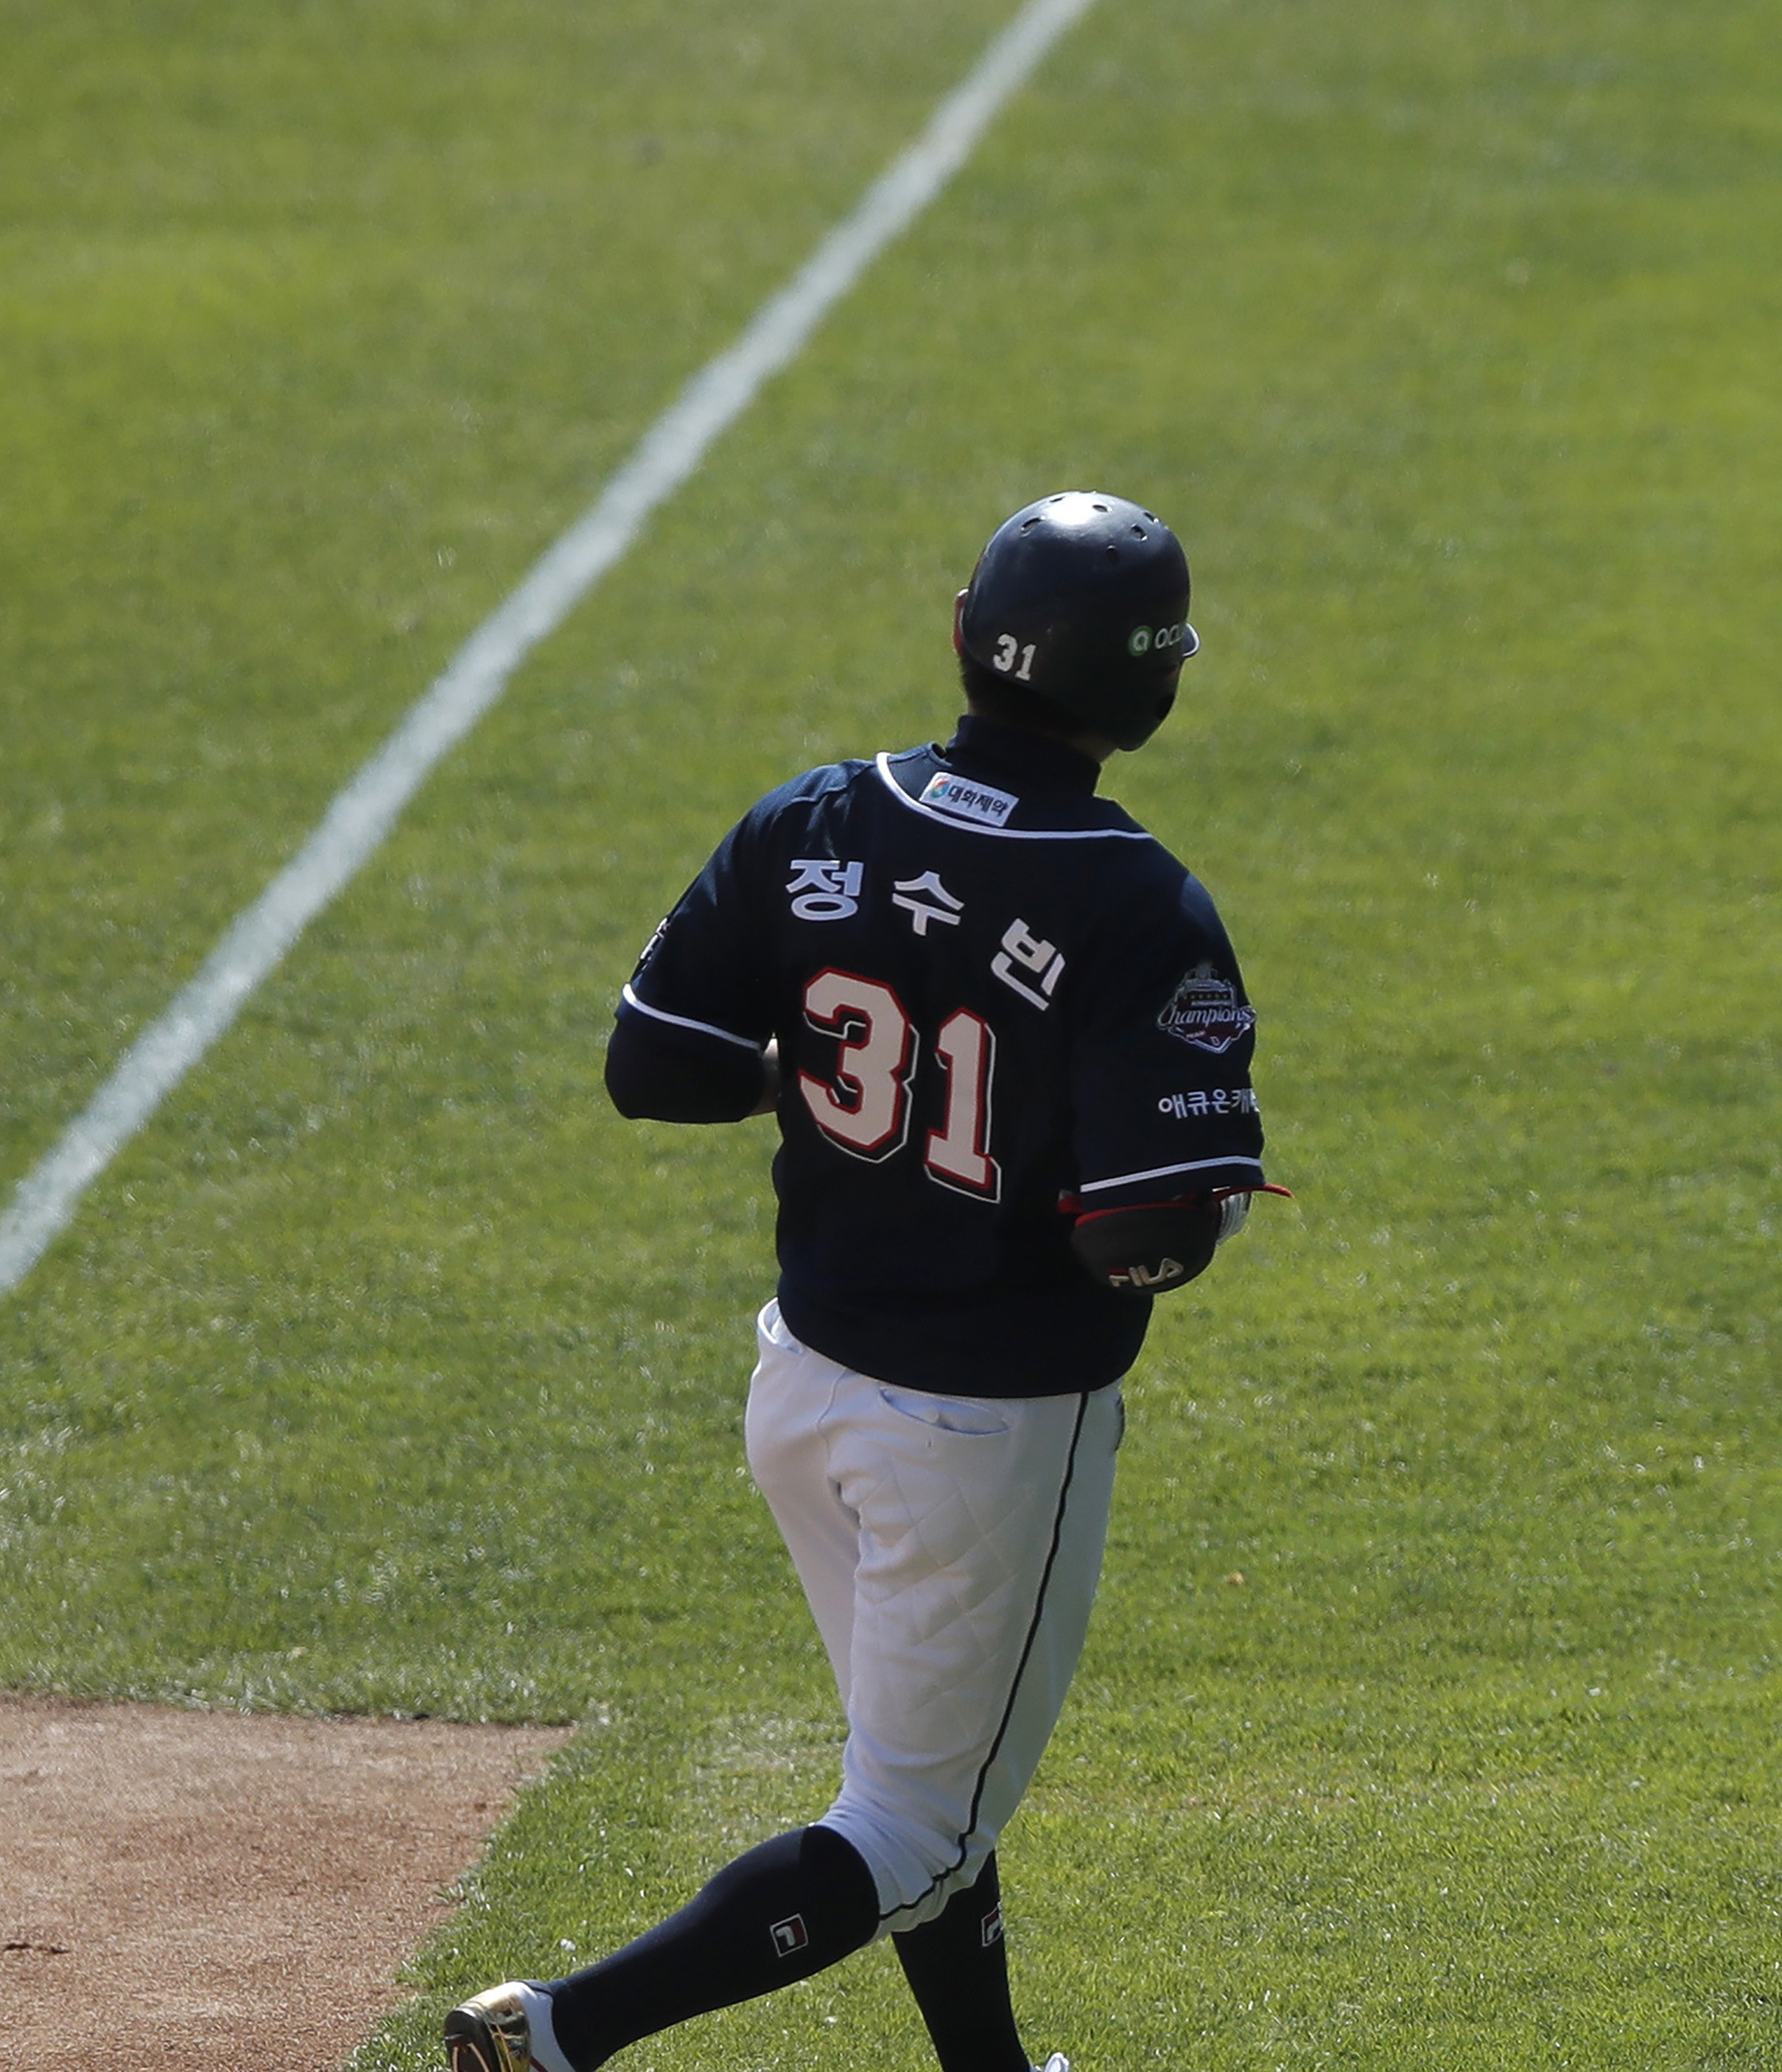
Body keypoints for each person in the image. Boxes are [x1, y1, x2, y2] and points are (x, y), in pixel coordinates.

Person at [444, 493, 1273, 2072]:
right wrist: (1206, 1217)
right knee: (910, 1817)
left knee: (924, 1779)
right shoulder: (1135, 900)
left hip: (802, 1390)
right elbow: (1136, 1237)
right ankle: (557, 2030)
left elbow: (652, 1063)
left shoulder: (815, 818)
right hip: (985, 1441)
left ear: (966, 632)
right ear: (1150, 691)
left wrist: (812, 1077)